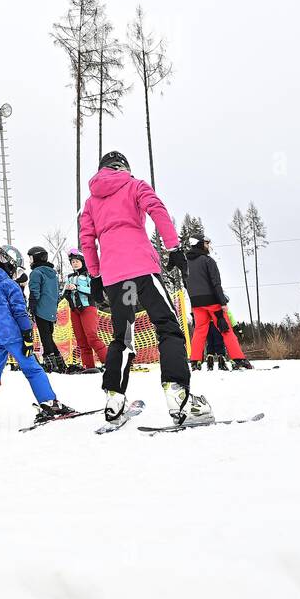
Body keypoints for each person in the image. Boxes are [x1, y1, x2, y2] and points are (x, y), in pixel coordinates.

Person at [79, 151, 208, 426]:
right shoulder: (135, 184)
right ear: (124, 167)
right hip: (142, 269)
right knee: (168, 326)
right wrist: (174, 247)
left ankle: (114, 400)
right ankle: (179, 396)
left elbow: (87, 239)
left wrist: (95, 274)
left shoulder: (90, 202)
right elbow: (157, 210)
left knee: (123, 336)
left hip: (116, 277)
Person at [0, 245, 75, 427]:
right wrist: (27, 334)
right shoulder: (9, 285)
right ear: (9, 264)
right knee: (32, 368)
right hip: (12, 336)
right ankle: (49, 402)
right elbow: (19, 312)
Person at [183, 236, 253, 370]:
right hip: (213, 303)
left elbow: (186, 283)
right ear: (199, 244)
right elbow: (216, 283)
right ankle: (238, 359)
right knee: (226, 330)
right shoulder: (208, 261)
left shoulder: (185, 263)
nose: (208, 246)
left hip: (196, 303)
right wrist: (222, 302)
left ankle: (195, 361)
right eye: (206, 243)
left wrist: (194, 300)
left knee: (199, 331)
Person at [62, 249, 108, 372]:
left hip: (88, 308)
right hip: (74, 310)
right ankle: (89, 367)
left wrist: (77, 287)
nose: (75, 264)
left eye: (77, 261)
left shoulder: (89, 275)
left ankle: (109, 362)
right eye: (72, 262)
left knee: (91, 336)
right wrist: (66, 290)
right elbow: (63, 293)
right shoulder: (70, 277)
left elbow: (93, 291)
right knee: (81, 340)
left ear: (83, 261)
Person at [26, 246, 64, 373]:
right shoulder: (53, 274)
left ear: (36, 257)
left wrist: (31, 307)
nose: (30, 261)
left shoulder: (36, 273)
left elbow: (35, 292)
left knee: (45, 336)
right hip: (51, 309)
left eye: (31, 258)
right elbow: (57, 293)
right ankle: (58, 361)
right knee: (48, 336)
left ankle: (50, 362)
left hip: (41, 309)